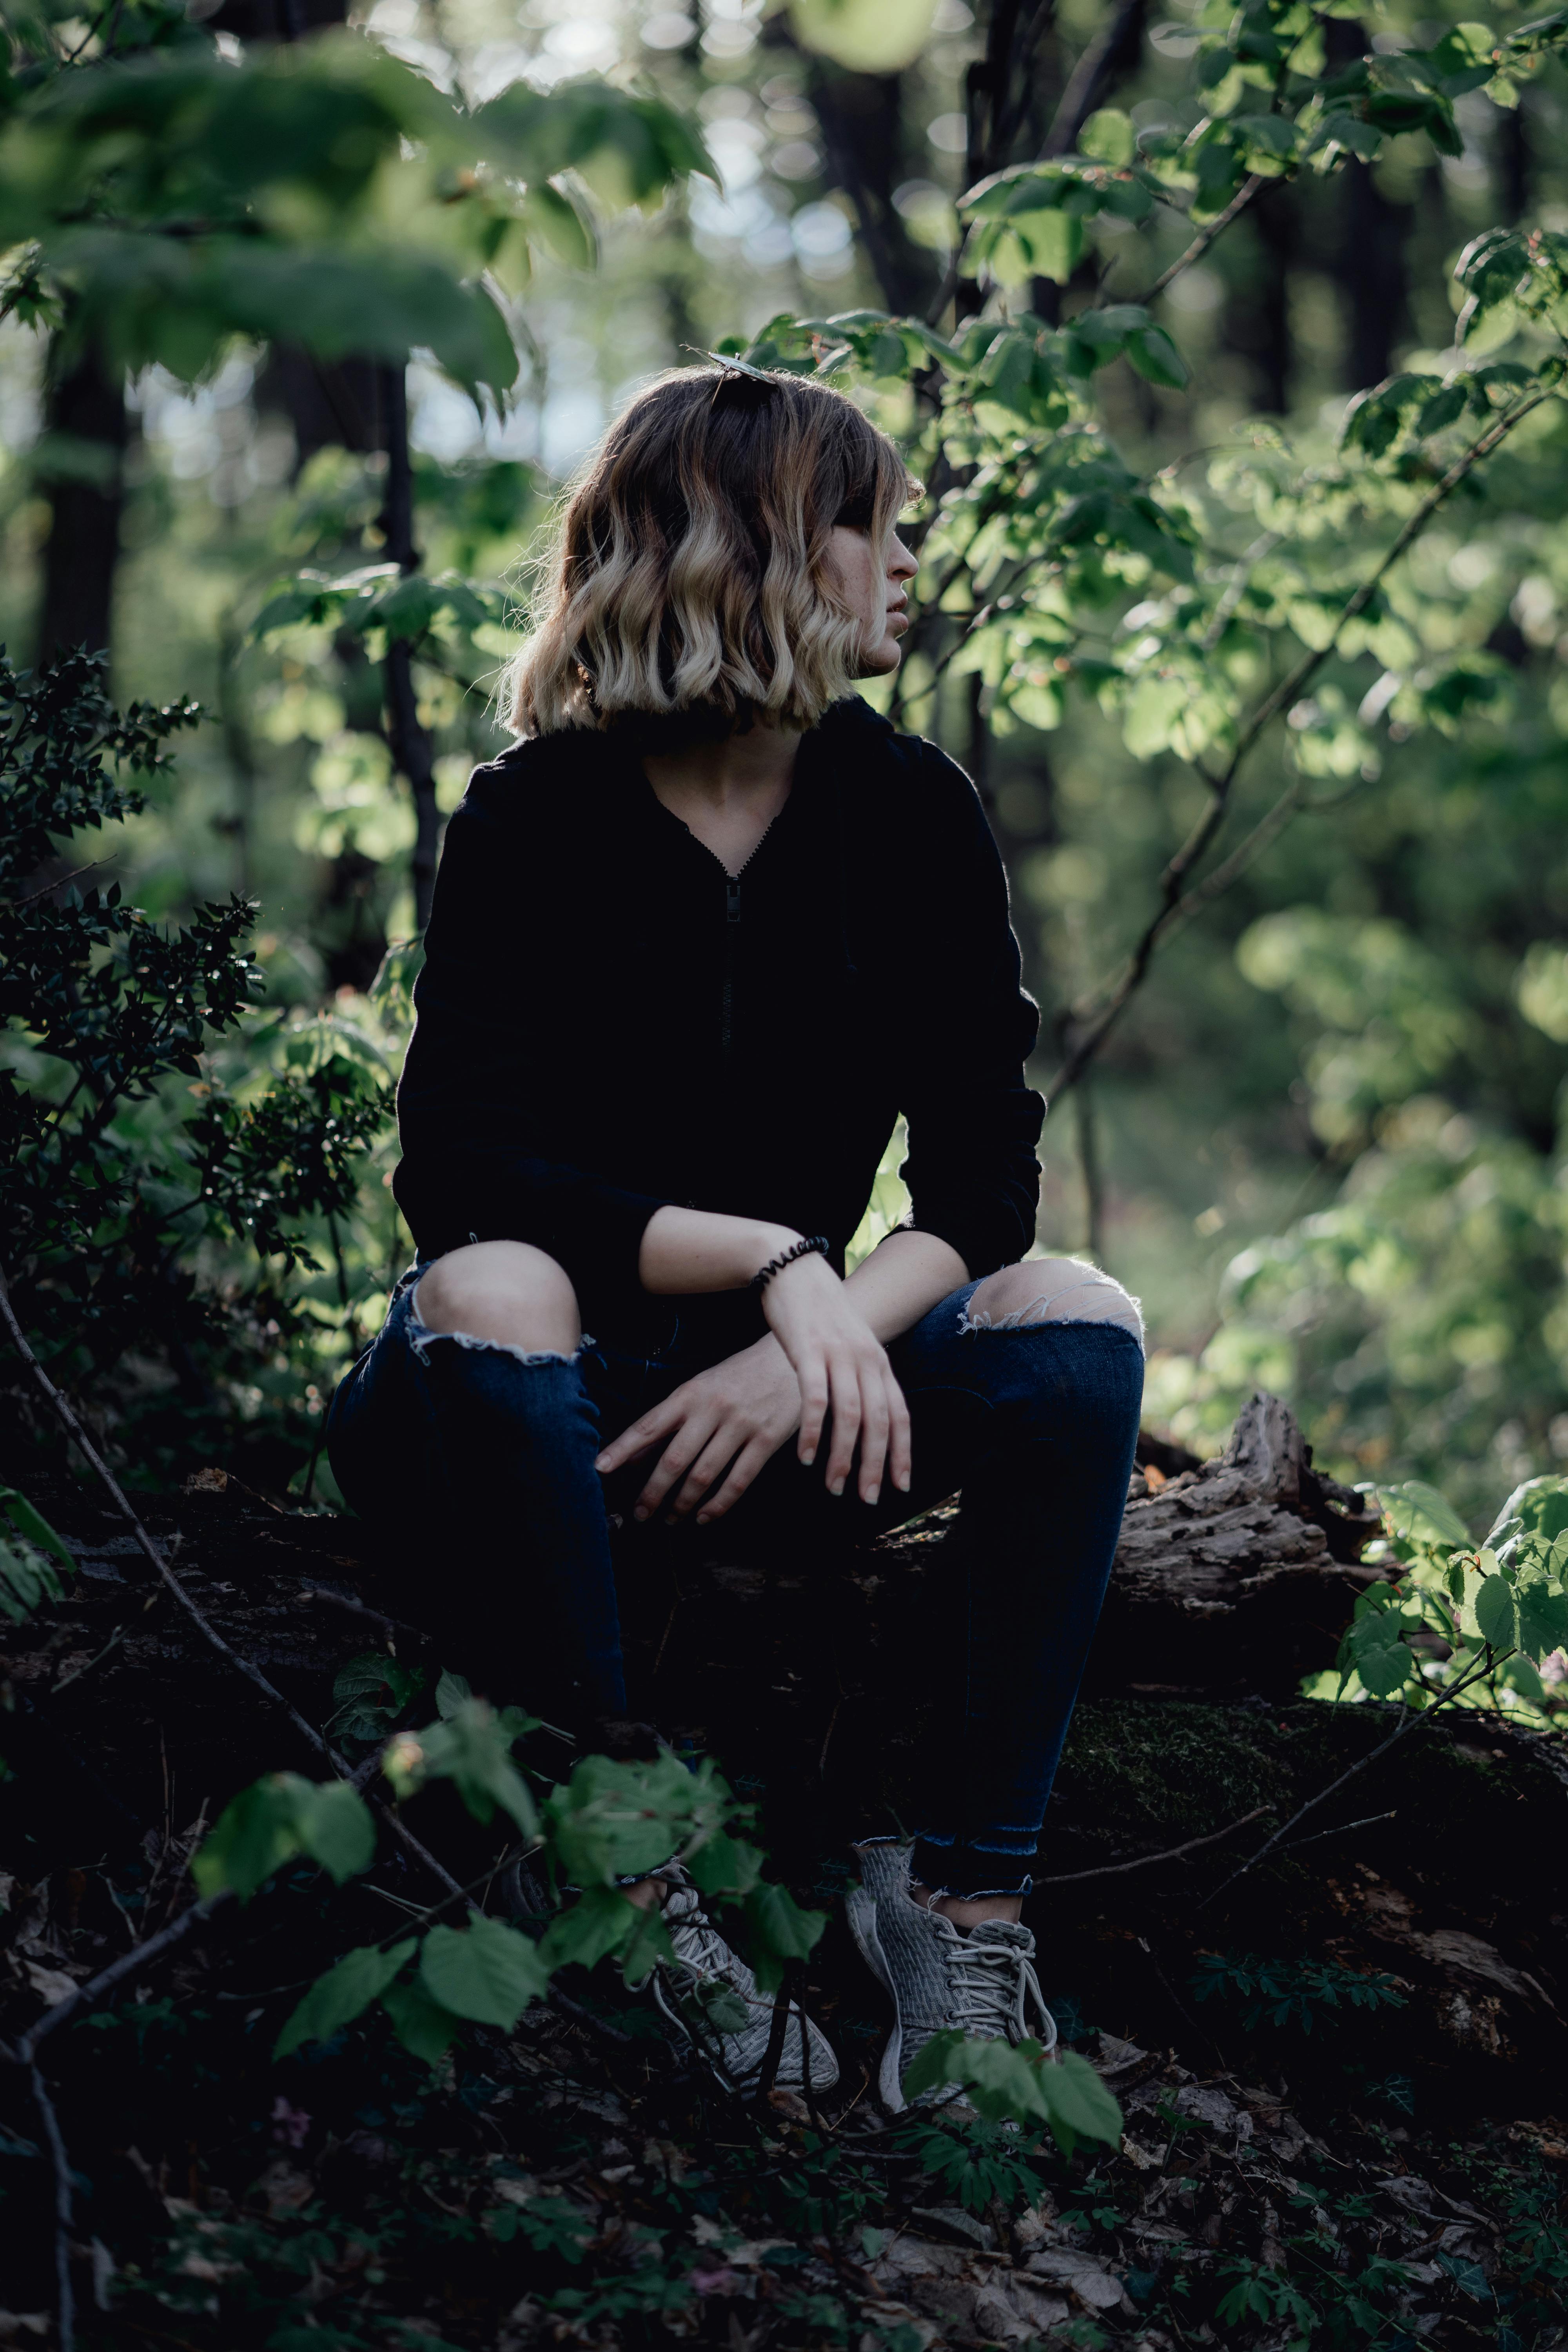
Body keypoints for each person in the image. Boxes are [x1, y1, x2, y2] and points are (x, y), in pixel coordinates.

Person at [327, 363, 1145, 2109]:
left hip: (793, 1412)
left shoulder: (910, 808)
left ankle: (960, 1897)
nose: (904, 561)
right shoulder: (535, 815)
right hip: (533, 1404)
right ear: (743, 546)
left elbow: (984, 1184)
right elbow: (466, 1169)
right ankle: (618, 1879)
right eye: (865, 521)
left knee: (1072, 1314)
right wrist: (781, 1275)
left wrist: (823, 1335)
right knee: (491, 1275)